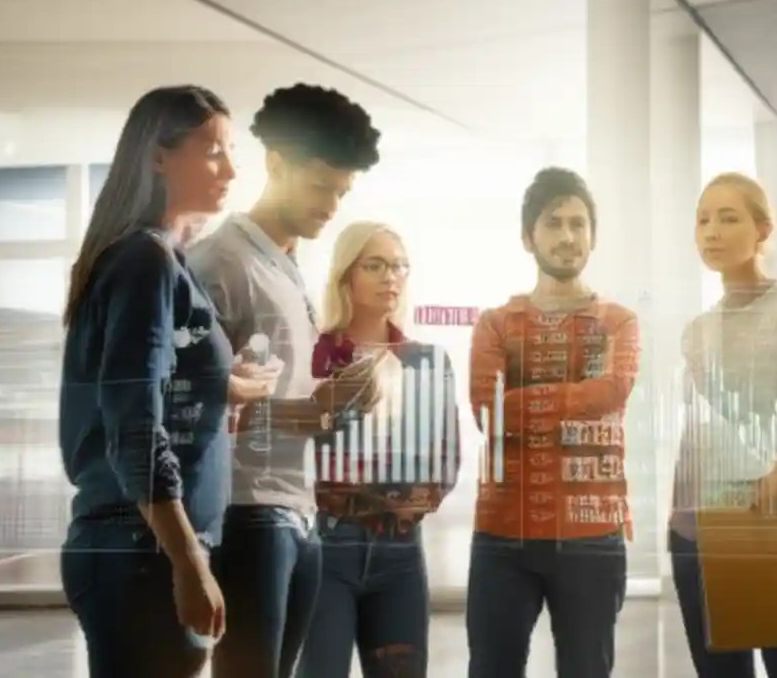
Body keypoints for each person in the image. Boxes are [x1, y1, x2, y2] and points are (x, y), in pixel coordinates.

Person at [59, 85, 271, 677]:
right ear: (157, 156)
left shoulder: (164, 262)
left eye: (232, 152)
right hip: (141, 550)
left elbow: (148, 381)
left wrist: (223, 386)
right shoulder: (143, 261)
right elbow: (133, 423)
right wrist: (188, 562)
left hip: (145, 548)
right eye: (212, 151)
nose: (230, 169)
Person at [187, 83, 383, 678]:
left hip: (298, 510)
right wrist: (309, 411)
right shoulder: (219, 261)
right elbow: (189, 405)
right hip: (248, 513)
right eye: (321, 186)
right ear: (275, 165)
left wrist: (335, 403)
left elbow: (278, 396)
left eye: (342, 191)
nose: (332, 205)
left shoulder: (289, 267)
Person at [466, 168, 640, 678]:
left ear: (593, 236)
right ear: (528, 237)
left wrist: (522, 402)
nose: (568, 236)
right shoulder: (495, 322)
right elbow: (486, 410)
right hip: (503, 533)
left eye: (579, 224)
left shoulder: (619, 321)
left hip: (592, 530)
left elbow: (612, 392)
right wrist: (574, 401)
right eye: (553, 223)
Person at [669, 172, 777, 678]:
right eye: (702, 220)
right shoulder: (696, 332)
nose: (711, 231)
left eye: (728, 217)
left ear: (763, 229)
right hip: (697, 528)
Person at [298, 221, 460, 678]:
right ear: (347, 275)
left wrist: (399, 501)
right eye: (375, 265)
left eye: (399, 266)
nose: (391, 276)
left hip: (401, 550)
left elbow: (444, 461)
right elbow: (295, 449)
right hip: (327, 546)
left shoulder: (426, 361)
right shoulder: (316, 356)